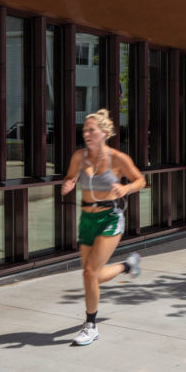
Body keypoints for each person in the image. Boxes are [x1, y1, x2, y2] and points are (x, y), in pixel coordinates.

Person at [61, 109, 146, 346]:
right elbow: (70, 176)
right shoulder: (79, 156)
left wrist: (126, 189)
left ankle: (91, 326)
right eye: (84, 130)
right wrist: (68, 184)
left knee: (89, 273)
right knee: (92, 276)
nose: (86, 133)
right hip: (86, 219)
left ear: (104, 133)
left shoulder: (117, 158)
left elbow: (140, 180)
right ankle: (127, 265)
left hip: (110, 217)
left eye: (91, 130)